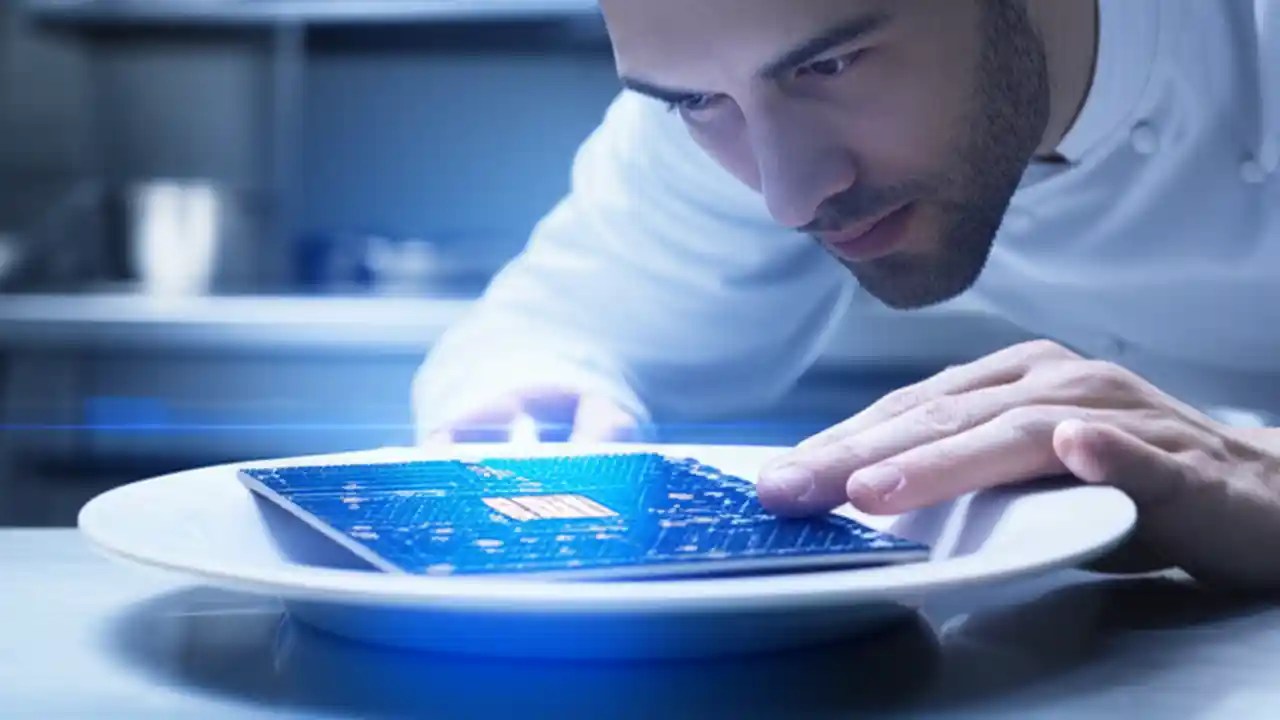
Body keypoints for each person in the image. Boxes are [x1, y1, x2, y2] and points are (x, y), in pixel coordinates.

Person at [413, 0, 1280, 590]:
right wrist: (543, 400)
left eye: (832, 63)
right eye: (696, 99)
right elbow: (553, 329)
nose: (787, 196)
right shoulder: (742, 92)